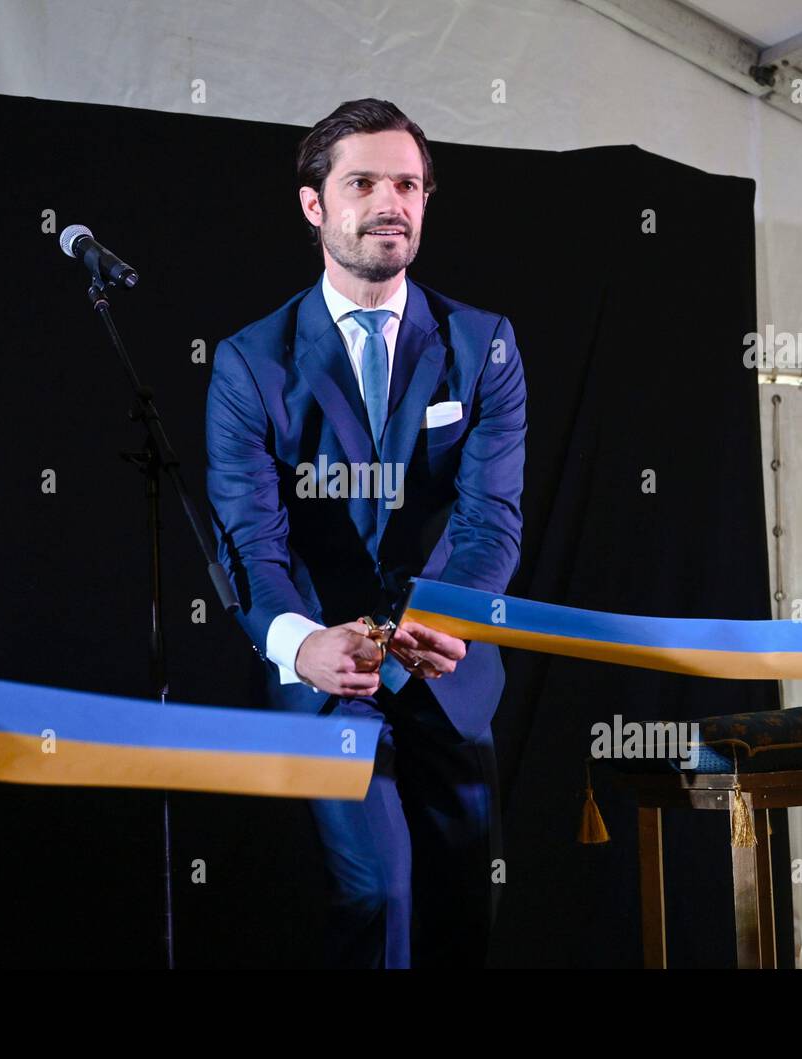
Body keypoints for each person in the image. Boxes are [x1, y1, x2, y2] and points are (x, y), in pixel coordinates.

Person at [205, 98, 527, 967]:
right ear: (314, 204)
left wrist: (446, 617)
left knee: (464, 909)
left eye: (409, 185)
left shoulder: (485, 344)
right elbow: (250, 540)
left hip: (447, 668)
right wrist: (298, 643)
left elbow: (491, 517)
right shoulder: (250, 362)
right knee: (378, 894)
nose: (391, 202)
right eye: (364, 183)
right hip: (329, 673)